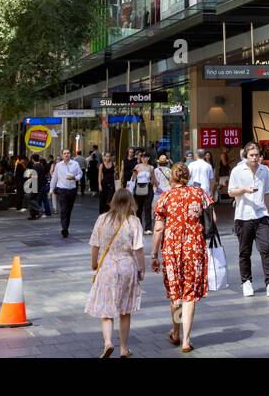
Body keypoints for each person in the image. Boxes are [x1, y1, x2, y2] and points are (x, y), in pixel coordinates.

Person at [152, 162, 215, 353]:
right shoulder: (199, 193)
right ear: (187, 176)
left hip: (171, 250)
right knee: (189, 295)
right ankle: (186, 340)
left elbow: (158, 228)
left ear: (172, 177)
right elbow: (213, 220)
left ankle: (176, 331)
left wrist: (154, 254)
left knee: (175, 294)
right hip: (194, 249)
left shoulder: (165, 197)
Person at [87, 188, 144, 358]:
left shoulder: (102, 219)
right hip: (127, 266)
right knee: (125, 310)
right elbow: (138, 249)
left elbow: (95, 245)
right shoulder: (134, 221)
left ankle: (108, 342)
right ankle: (124, 348)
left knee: (106, 307)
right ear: (130, 202)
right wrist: (142, 268)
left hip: (107, 266)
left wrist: (94, 264)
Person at [228, 142, 269, 298]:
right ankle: (246, 282)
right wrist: (244, 190)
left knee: (266, 249)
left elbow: (267, 193)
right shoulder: (237, 171)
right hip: (243, 216)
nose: (254, 158)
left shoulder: (265, 170)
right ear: (246, 155)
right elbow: (231, 192)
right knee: (245, 252)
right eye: (251, 155)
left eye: (257, 155)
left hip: (261, 215)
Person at [50, 149, 83, 238]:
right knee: (63, 210)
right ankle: (64, 228)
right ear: (62, 155)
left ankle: (66, 227)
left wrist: (75, 178)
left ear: (70, 154)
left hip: (72, 190)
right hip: (62, 190)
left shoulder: (75, 164)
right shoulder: (58, 165)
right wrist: (51, 189)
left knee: (69, 210)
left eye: (68, 153)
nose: (66, 154)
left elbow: (80, 174)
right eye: (65, 153)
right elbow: (54, 177)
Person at [131, 153, 154, 234]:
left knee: (148, 208)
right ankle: (138, 227)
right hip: (138, 188)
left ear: (148, 158)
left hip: (148, 188)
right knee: (139, 208)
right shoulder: (137, 166)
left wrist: (151, 185)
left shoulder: (151, 167)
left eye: (146, 157)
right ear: (141, 158)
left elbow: (153, 179)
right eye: (143, 157)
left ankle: (148, 228)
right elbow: (133, 178)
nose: (144, 159)